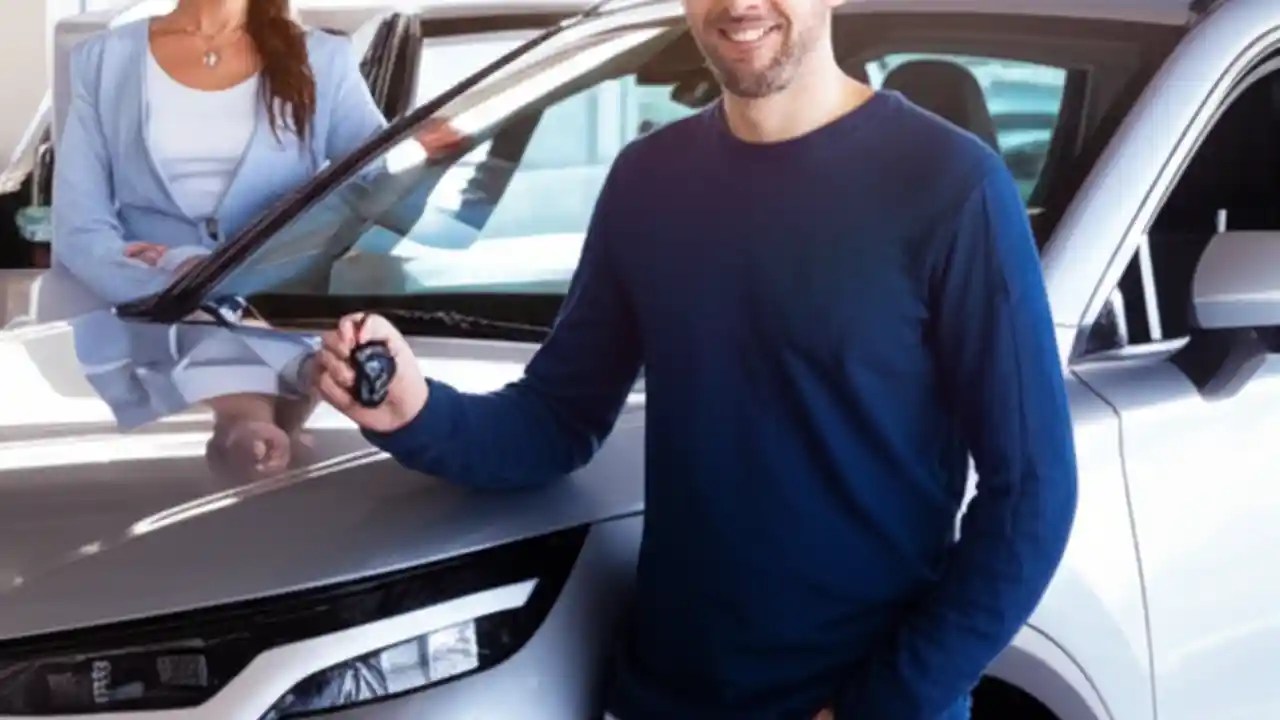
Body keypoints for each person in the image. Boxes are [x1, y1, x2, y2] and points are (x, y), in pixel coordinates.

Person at [311, 0, 1079, 717]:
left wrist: (880, 704)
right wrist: (414, 410)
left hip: (856, 694)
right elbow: (557, 419)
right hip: (666, 693)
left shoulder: (950, 185)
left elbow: (1033, 497)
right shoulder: (649, 180)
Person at [52, 0, 388, 473]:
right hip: (147, 323)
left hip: (283, 316)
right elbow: (79, 227)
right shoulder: (102, 60)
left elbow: (383, 189)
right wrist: (174, 276)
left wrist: (298, 253)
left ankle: (244, 419)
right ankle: (242, 416)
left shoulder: (322, 59)